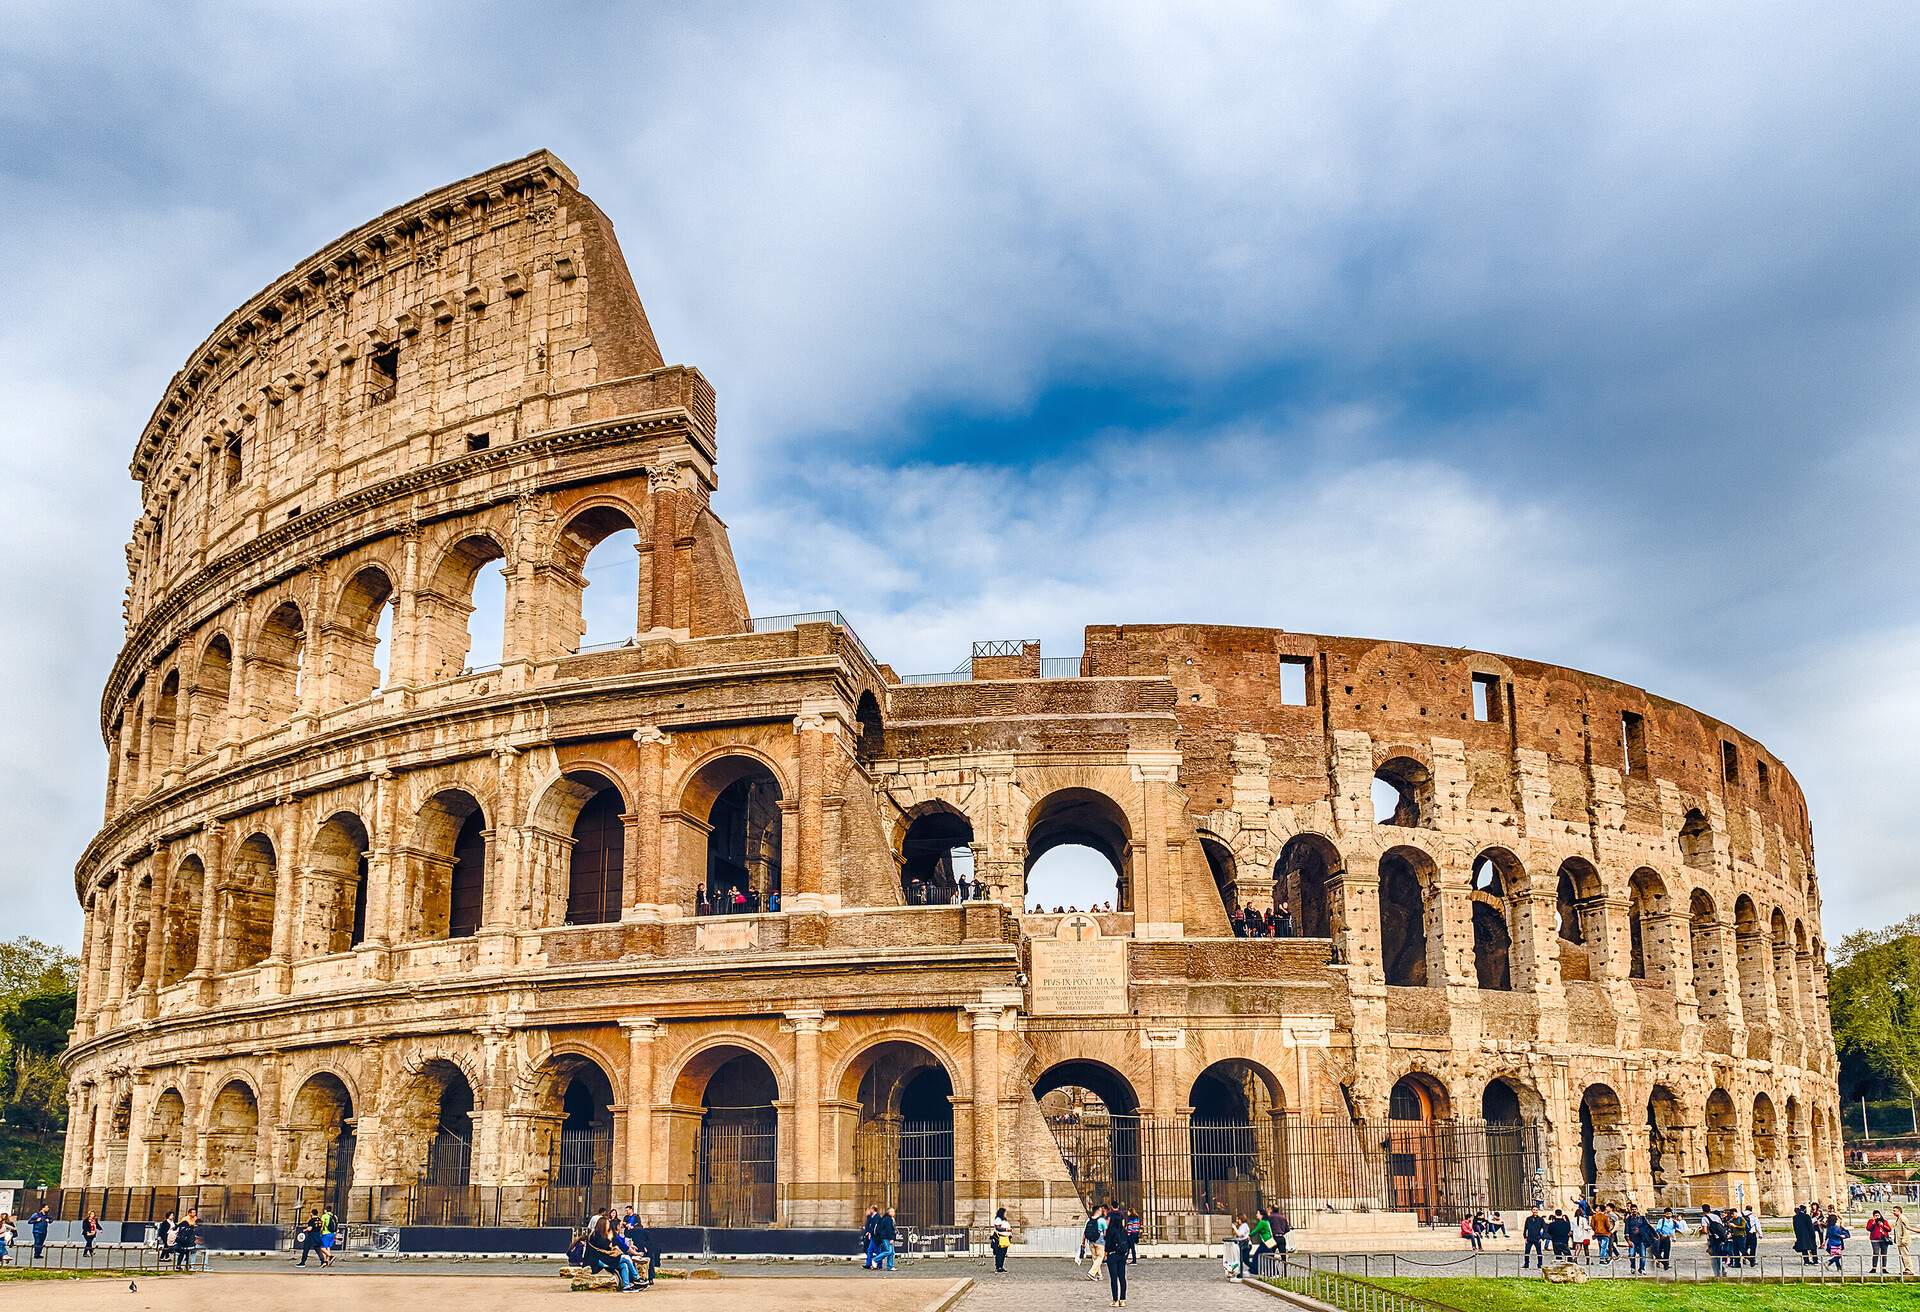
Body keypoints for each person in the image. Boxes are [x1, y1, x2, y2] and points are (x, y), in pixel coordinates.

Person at [1104, 1206, 1131, 1307]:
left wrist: (1106, 1254)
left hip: (1112, 1255)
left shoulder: (1110, 1231)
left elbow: (1107, 1245)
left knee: (1114, 1279)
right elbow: (1128, 1243)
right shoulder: (1123, 1230)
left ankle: (1115, 1301)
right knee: (1122, 1278)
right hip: (1122, 1255)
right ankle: (1123, 1300)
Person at [1624, 1206, 1651, 1275]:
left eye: (1635, 1209)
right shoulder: (1628, 1220)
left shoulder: (1642, 1218)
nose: (1634, 1211)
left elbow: (1647, 1228)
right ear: (1630, 1211)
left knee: (1643, 1256)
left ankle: (1642, 1269)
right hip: (1632, 1240)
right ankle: (1633, 1267)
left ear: (1637, 1210)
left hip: (1642, 1240)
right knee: (1631, 1255)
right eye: (1632, 1209)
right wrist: (1628, 1241)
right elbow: (1626, 1231)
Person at [1867, 1209, 1892, 1274]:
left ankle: (1884, 1268)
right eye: (1875, 1215)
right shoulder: (1871, 1221)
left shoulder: (1884, 1221)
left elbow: (1889, 1229)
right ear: (1873, 1216)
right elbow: (1868, 1228)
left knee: (1884, 1254)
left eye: (1878, 1215)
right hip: (1874, 1240)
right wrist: (1873, 1223)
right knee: (1876, 1253)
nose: (1877, 1217)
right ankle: (1874, 1268)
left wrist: (1883, 1225)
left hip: (1884, 1240)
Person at [875, 1207, 897, 1272]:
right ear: (889, 1212)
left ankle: (890, 1266)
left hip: (887, 1237)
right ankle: (875, 1259)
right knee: (888, 1251)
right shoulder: (888, 1219)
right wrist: (891, 1238)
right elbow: (889, 1230)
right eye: (892, 1211)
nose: (894, 1213)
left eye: (894, 1211)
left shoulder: (888, 1218)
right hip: (887, 1238)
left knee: (892, 1252)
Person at [990, 1206, 1012, 1274]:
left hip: (1005, 1238)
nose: (1006, 1214)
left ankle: (1001, 1267)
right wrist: (1006, 1229)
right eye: (1005, 1212)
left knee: (1003, 1253)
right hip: (999, 1239)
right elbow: (998, 1228)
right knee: (999, 1253)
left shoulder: (1004, 1219)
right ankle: (998, 1267)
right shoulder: (998, 1219)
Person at [1230, 1214, 1251, 1280]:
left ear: (1241, 1219)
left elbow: (1240, 1234)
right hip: (1242, 1244)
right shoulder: (1241, 1226)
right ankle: (1240, 1272)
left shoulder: (1244, 1226)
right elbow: (1235, 1234)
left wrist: (1234, 1227)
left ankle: (1254, 1268)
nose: (1237, 1220)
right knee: (1242, 1259)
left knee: (1244, 1260)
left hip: (1245, 1244)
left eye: (1238, 1219)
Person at [862, 1205, 880, 1269]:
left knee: (877, 1251)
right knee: (869, 1250)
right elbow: (871, 1226)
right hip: (872, 1236)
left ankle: (878, 1264)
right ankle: (868, 1264)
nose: (869, 1210)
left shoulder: (877, 1217)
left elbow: (875, 1227)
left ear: (873, 1209)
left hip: (875, 1236)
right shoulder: (873, 1216)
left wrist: (870, 1233)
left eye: (870, 1209)